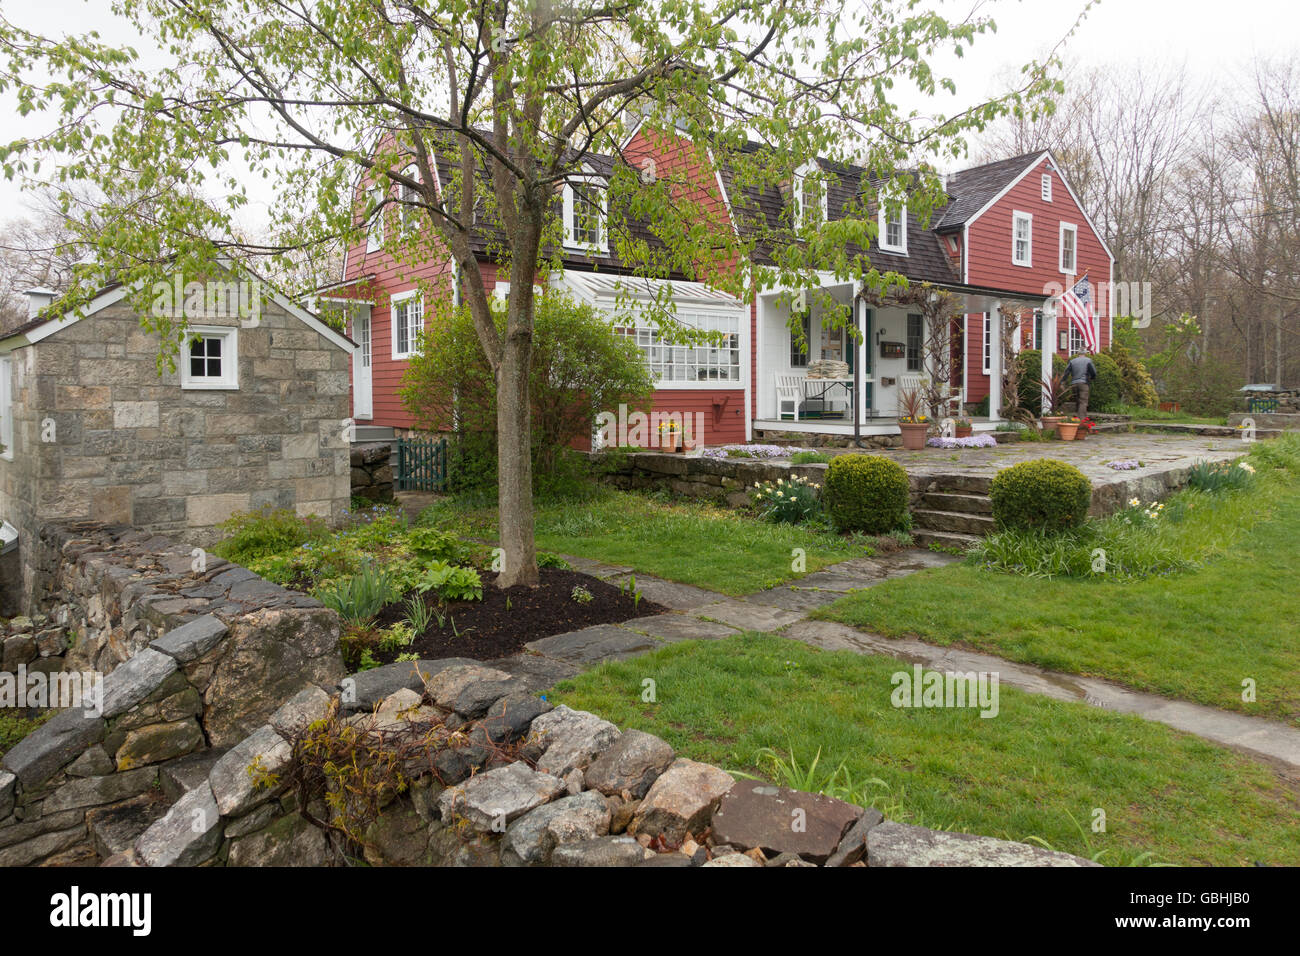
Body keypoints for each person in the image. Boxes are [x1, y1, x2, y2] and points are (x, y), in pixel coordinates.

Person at [1065, 351, 1097, 416]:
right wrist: (1092, 378)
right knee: (1083, 402)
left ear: (1078, 354)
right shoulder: (1088, 360)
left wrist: (1063, 382)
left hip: (1074, 384)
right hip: (1083, 383)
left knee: (1077, 401)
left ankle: (1076, 420)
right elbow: (1093, 372)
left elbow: (1066, 372)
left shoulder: (1072, 361)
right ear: (1085, 354)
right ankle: (1081, 421)